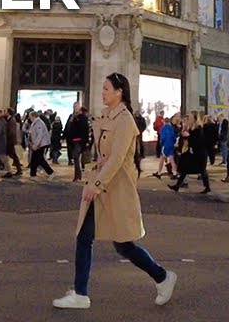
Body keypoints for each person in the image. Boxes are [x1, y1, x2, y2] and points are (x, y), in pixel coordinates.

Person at [52, 73, 176, 310]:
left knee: (123, 245)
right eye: (103, 88)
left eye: (107, 88)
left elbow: (117, 158)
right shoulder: (107, 116)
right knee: (84, 237)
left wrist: (96, 185)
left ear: (119, 92)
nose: (103, 92)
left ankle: (162, 277)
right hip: (103, 185)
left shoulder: (125, 121)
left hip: (116, 189)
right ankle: (80, 292)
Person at [167, 113, 210, 194]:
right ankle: (177, 186)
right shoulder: (191, 127)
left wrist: (189, 136)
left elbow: (197, 140)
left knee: (202, 170)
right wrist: (185, 133)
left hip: (199, 153)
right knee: (186, 168)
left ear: (194, 118)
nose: (188, 119)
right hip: (193, 152)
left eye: (190, 117)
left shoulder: (198, 128)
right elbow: (188, 139)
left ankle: (207, 187)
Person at [29, 110, 56, 178]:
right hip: (38, 144)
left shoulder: (39, 123)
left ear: (33, 116)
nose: (30, 119)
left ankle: (50, 172)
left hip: (40, 144)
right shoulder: (36, 122)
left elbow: (39, 135)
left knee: (39, 159)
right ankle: (33, 174)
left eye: (30, 117)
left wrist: (36, 145)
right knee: (35, 159)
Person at [153, 114, 177, 180]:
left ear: (164, 122)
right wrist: (173, 143)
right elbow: (174, 137)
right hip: (171, 145)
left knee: (162, 158)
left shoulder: (163, 128)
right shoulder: (171, 128)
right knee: (171, 159)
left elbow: (162, 138)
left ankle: (159, 172)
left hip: (165, 145)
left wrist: (161, 144)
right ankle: (175, 172)